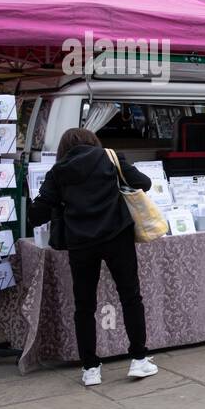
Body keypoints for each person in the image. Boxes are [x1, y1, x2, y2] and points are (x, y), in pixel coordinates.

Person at [28, 128, 158, 387]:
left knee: (84, 306)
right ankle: (139, 358)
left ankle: (90, 367)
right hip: (117, 236)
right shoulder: (110, 158)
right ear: (93, 141)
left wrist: (61, 203)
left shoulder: (58, 172)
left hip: (80, 243)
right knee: (130, 297)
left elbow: (37, 213)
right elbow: (144, 183)